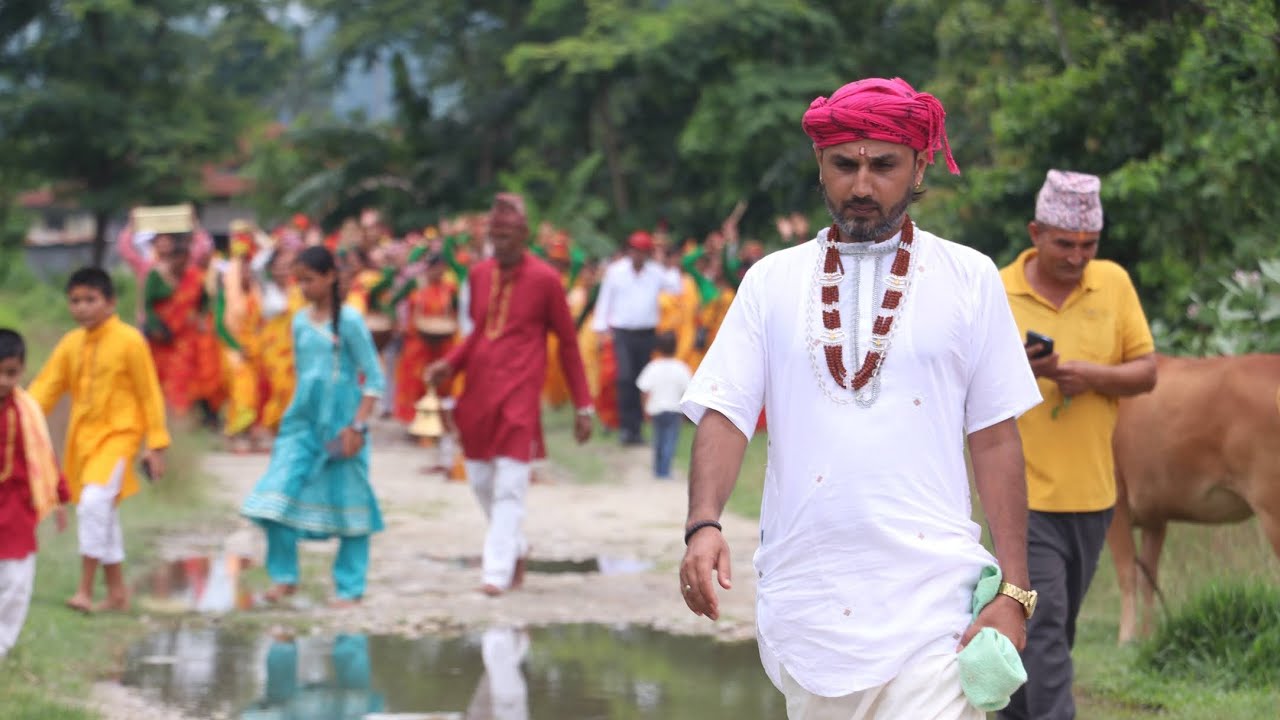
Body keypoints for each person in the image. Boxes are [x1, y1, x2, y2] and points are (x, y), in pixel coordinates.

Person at [677, 77, 1044, 719]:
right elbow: (726, 412)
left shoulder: (969, 278)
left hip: (936, 591)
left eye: (884, 165)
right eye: (845, 165)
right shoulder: (771, 282)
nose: (863, 186)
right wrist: (704, 522)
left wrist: (1013, 590)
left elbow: (994, 436)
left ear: (921, 165)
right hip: (810, 591)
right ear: (821, 164)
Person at [997, 170, 1156, 720]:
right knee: (1044, 637)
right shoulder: (996, 288)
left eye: (1088, 245)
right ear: (1036, 232)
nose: (1077, 256)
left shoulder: (1112, 283)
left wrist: (1090, 376)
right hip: (1023, 499)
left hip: (1093, 498)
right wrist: (1024, 367)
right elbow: (966, 384)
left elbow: (1146, 372)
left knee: (1047, 632)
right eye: (1065, 243)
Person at [426, 193, 594, 597]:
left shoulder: (546, 280)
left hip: (520, 392)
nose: (497, 244)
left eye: (505, 236)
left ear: (524, 235)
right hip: (479, 391)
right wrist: (449, 362)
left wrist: (583, 404)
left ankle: (495, 573)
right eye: (492, 236)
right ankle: (515, 546)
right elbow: (478, 332)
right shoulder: (479, 275)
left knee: (509, 485)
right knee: (480, 478)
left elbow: (569, 345)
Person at [240, 246, 387, 608]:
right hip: (301, 423)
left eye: (309, 279)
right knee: (275, 494)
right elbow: (304, 375)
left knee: (350, 505)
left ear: (330, 277)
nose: (302, 287)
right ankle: (284, 576)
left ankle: (350, 587)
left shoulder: (350, 321)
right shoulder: (300, 321)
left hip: (343, 426)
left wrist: (357, 426)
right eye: (298, 279)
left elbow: (375, 379)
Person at [29, 268, 170, 614]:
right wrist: (19, 416)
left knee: (93, 504)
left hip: (120, 439)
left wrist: (156, 445)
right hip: (83, 443)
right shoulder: (71, 343)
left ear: (110, 302)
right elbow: (45, 389)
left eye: (90, 300)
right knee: (100, 510)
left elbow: (149, 394)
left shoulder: (130, 340)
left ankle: (85, 590)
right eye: (75, 301)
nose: (82, 308)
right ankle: (118, 592)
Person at [0, 330, 69, 656]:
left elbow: (45, 457)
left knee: (16, 583)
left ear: (22, 370)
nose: (2, 381)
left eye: (10, 373)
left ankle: (2, 643)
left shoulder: (28, 412)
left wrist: (59, 498)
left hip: (17, 510)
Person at [591, 231, 683, 445]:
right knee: (624, 378)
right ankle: (626, 427)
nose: (638, 256)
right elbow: (605, 300)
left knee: (641, 381)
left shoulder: (655, 272)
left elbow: (675, 286)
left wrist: (664, 261)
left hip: (646, 334)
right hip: (622, 333)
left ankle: (637, 429)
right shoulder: (616, 271)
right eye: (635, 251)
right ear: (629, 251)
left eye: (643, 252)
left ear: (648, 254)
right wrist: (600, 327)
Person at [635, 332, 692, 480]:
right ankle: (665, 470)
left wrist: (644, 408)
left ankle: (657, 469)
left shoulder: (653, 367)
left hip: (656, 410)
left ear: (658, 348)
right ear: (676, 347)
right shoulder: (682, 368)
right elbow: (687, 392)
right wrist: (687, 413)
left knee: (658, 440)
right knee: (670, 441)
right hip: (674, 410)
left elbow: (644, 390)